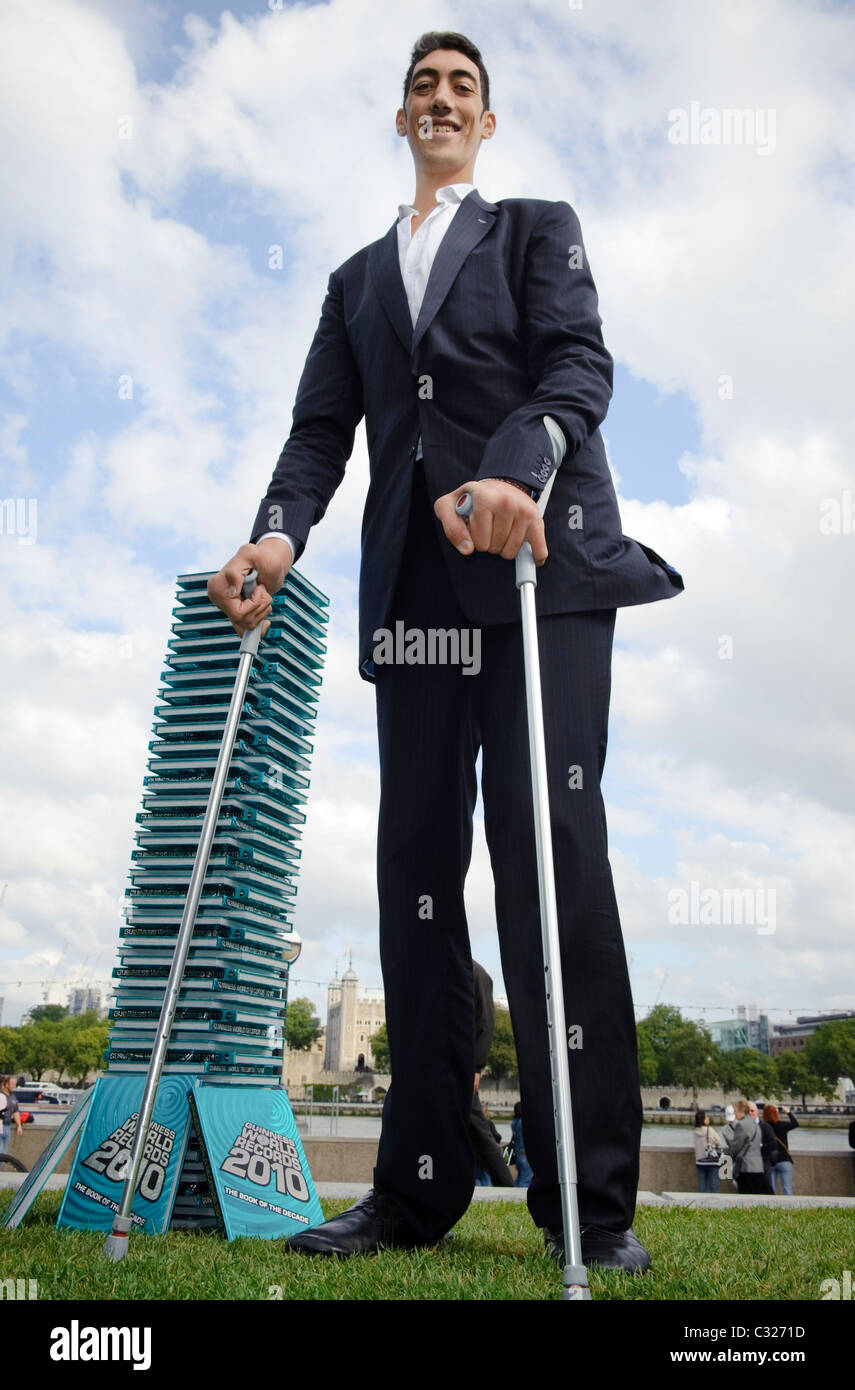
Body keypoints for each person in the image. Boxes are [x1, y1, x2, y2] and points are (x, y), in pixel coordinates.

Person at [208, 30, 682, 1274]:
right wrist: (272, 539)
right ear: (399, 114)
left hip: (541, 574)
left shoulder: (536, 227)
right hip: (414, 595)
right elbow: (320, 434)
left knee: (551, 859)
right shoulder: (357, 279)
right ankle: (415, 1190)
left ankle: (593, 1198)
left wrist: (517, 469)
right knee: (417, 870)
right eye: (423, 82)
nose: (441, 97)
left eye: (462, 84)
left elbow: (579, 367)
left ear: (487, 117)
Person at [470, 961, 514, 1187]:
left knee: (479, 1130)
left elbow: (485, 1023)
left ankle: (506, 1184)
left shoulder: (476, 973)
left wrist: (476, 1067)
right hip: (443, 1067)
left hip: (461, 1069)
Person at [724, 1100, 770, 1194]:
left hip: (745, 1166)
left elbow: (736, 1146)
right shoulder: (756, 1125)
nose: (734, 1113)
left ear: (741, 1110)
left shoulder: (741, 1125)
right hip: (758, 1166)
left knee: (745, 1196)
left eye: (735, 1110)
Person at [763, 1104, 798, 1195]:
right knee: (787, 1188)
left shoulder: (765, 1127)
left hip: (770, 1161)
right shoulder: (782, 1125)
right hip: (785, 1160)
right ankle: (790, 1207)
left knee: (772, 1189)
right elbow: (795, 1123)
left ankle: (772, 1208)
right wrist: (788, 1112)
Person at [749, 1101, 778, 1193]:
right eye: (747, 1111)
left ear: (757, 1112)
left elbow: (773, 1144)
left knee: (765, 1188)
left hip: (763, 1162)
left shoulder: (765, 1127)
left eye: (752, 1111)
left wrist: (760, 1145)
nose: (750, 1113)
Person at [692, 1109, 722, 1194]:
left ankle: (699, 1204)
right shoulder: (709, 1130)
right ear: (704, 1120)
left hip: (700, 1161)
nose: (708, 1119)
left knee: (701, 1184)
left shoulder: (695, 1132)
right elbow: (718, 1141)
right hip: (711, 1161)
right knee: (713, 1185)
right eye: (707, 1117)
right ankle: (716, 1204)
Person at [510, 1101, 533, 1188]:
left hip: (518, 1153)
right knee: (526, 1179)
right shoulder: (522, 1122)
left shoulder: (514, 1122)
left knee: (520, 1177)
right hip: (525, 1154)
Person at [0, 1076, 23, 1155]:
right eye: (13, 1084)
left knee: (4, 1154)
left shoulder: (13, 1097)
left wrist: (19, 1125)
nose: (14, 1087)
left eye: (15, 1085)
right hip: (1, 1125)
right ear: (6, 1084)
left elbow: (16, 1112)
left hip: (7, 1127)